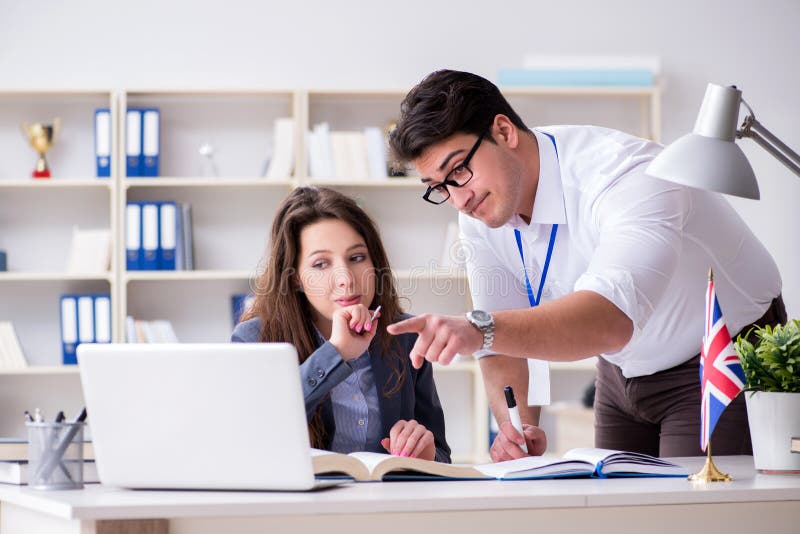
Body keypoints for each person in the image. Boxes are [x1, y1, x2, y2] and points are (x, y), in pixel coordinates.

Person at [386, 69, 785, 461]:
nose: (457, 198)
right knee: (612, 512)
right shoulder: (478, 206)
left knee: (693, 516)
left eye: (458, 170)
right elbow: (500, 335)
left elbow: (609, 318)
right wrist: (518, 429)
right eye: (439, 187)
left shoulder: (628, 174)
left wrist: (478, 329)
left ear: (504, 131)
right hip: (620, 369)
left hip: (720, 357)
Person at [232, 186, 451, 462]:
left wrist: (427, 454)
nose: (346, 278)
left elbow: (442, 454)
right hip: (301, 503)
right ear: (295, 278)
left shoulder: (405, 336)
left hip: (385, 502)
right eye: (321, 264)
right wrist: (335, 354)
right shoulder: (255, 339)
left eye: (357, 258)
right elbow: (252, 434)